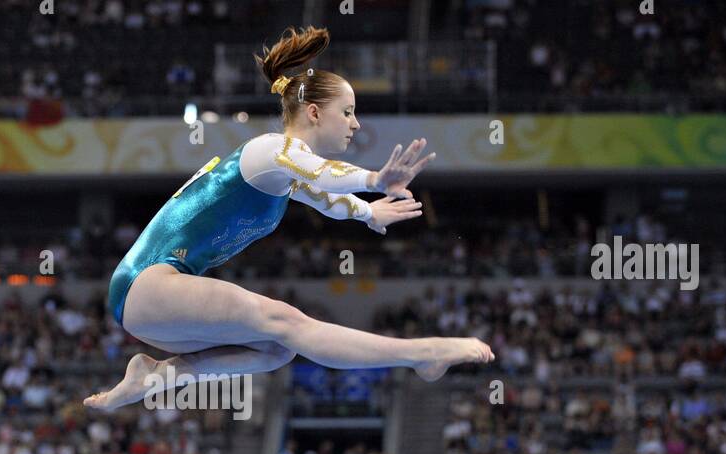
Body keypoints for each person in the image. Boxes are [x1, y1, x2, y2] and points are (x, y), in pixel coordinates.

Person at [85, 25, 492, 411]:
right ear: (314, 112)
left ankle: (156, 375)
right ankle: (423, 353)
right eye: (347, 112)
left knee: (275, 348)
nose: (356, 123)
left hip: (153, 308)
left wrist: (368, 211)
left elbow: (327, 196)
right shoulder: (267, 151)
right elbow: (320, 174)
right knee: (285, 320)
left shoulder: (282, 173)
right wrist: (374, 178)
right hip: (147, 282)